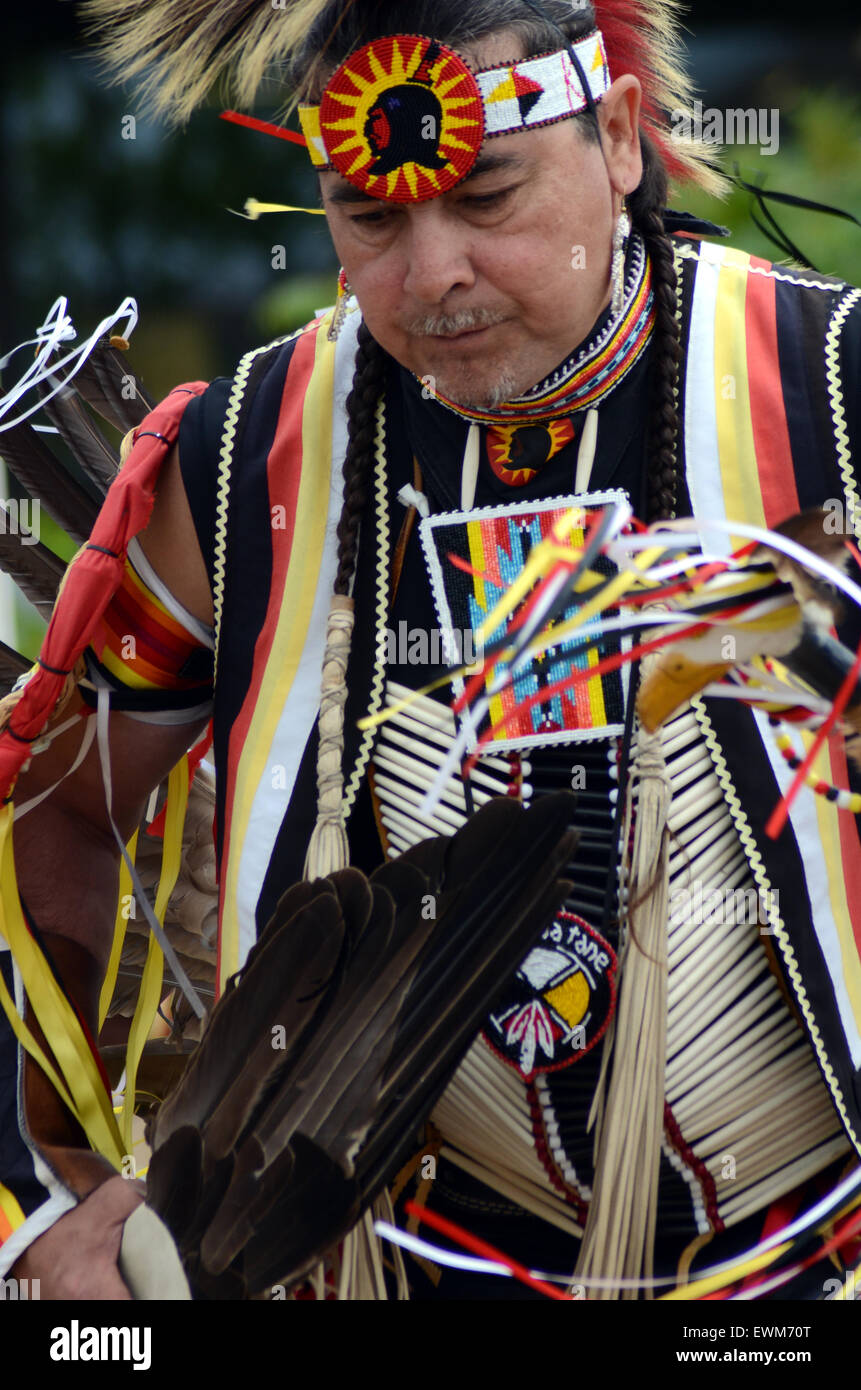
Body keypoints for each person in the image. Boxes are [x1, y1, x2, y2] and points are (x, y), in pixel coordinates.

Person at [1, 0, 860, 1300]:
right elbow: (56, 814)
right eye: (372, 218)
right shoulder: (244, 463)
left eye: (487, 195)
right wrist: (55, 1193)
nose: (431, 273)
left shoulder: (831, 397)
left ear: (621, 138)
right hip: (385, 1264)